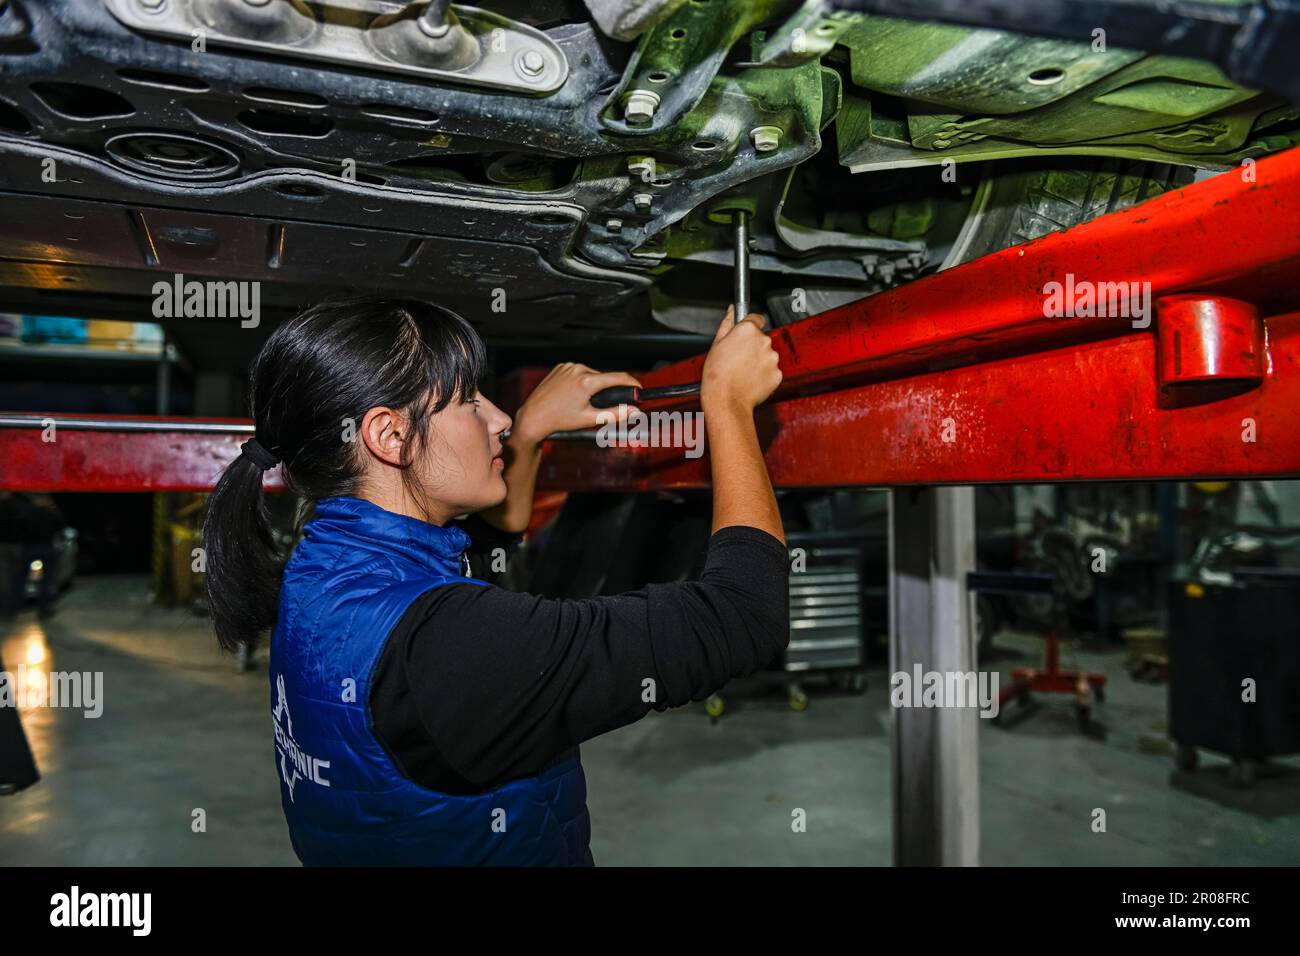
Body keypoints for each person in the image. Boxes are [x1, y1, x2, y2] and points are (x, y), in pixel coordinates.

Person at [202, 297, 788, 866]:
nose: (499, 417)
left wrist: (530, 433)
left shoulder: (321, 570)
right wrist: (729, 406)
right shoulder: (449, 647)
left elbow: (483, 545)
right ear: (389, 437)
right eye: (468, 401)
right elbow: (743, 615)